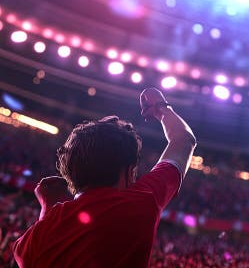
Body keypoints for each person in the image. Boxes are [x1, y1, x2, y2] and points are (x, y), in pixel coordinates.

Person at [13, 88, 197, 268]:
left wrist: (48, 211)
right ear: (128, 170)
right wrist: (161, 108)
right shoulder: (140, 204)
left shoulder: (29, 243)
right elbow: (184, 140)